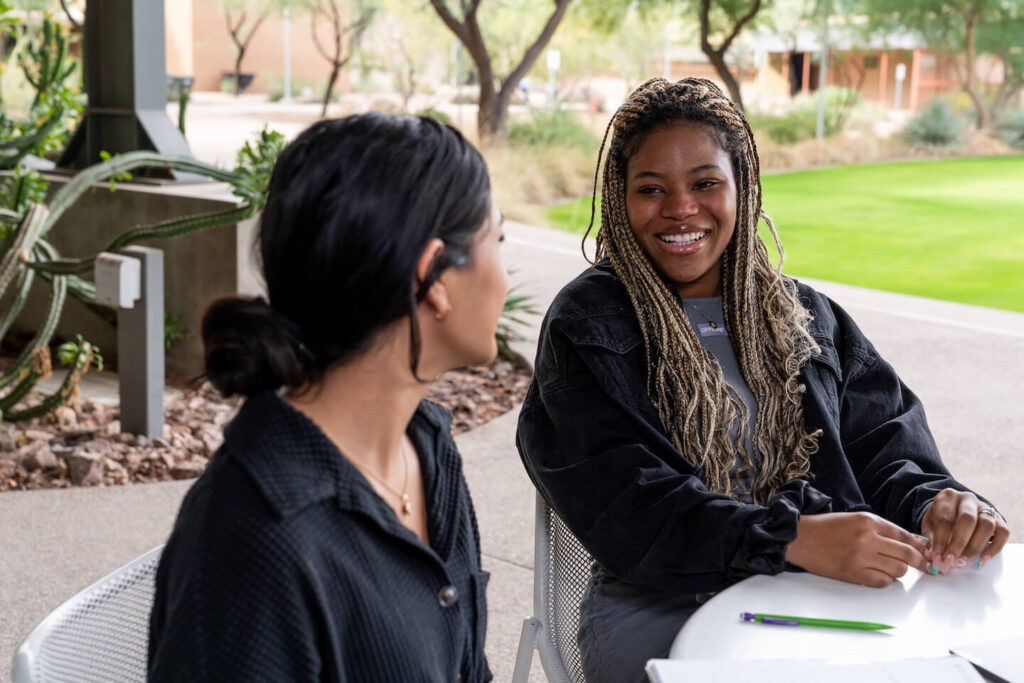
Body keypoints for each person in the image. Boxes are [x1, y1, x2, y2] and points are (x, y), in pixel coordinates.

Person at [515, 77, 1010, 683]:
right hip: (663, 597)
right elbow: (628, 500)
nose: (680, 208)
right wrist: (789, 539)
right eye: (651, 189)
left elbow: (884, 446)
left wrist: (938, 503)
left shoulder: (807, 318)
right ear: (621, 200)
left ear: (742, 188)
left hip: (820, 592)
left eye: (705, 183)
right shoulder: (589, 324)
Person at [148, 113, 507, 682]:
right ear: (434, 276)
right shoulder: (257, 542)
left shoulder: (429, 449)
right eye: (498, 240)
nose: (505, 275)